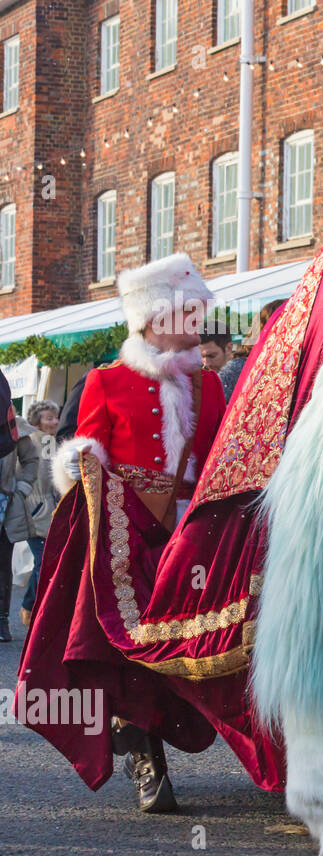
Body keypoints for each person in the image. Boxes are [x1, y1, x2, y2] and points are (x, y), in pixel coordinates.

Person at [36, 253, 227, 813]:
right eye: (190, 311)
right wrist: (80, 465)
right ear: (156, 317)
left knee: (194, 643)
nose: (199, 322)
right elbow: (86, 454)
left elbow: (223, 457)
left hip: (192, 537)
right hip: (125, 538)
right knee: (127, 647)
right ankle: (144, 753)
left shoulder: (210, 385)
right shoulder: (106, 381)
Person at [14, 400, 60, 629]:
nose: (55, 422)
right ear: (37, 422)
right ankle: (29, 606)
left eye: (56, 417)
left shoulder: (45, 441)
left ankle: (35, 608)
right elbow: (48, 476)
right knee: (44, 562)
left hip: (44, 509)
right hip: (38, 510)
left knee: (46, 562)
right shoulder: (39, 441)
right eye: (49, 418)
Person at [0, 414, 39, 642]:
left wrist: (22, 488)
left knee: (2, 564)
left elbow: (31, 459)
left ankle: (1, 621)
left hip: (5, 504)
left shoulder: (14, 426)